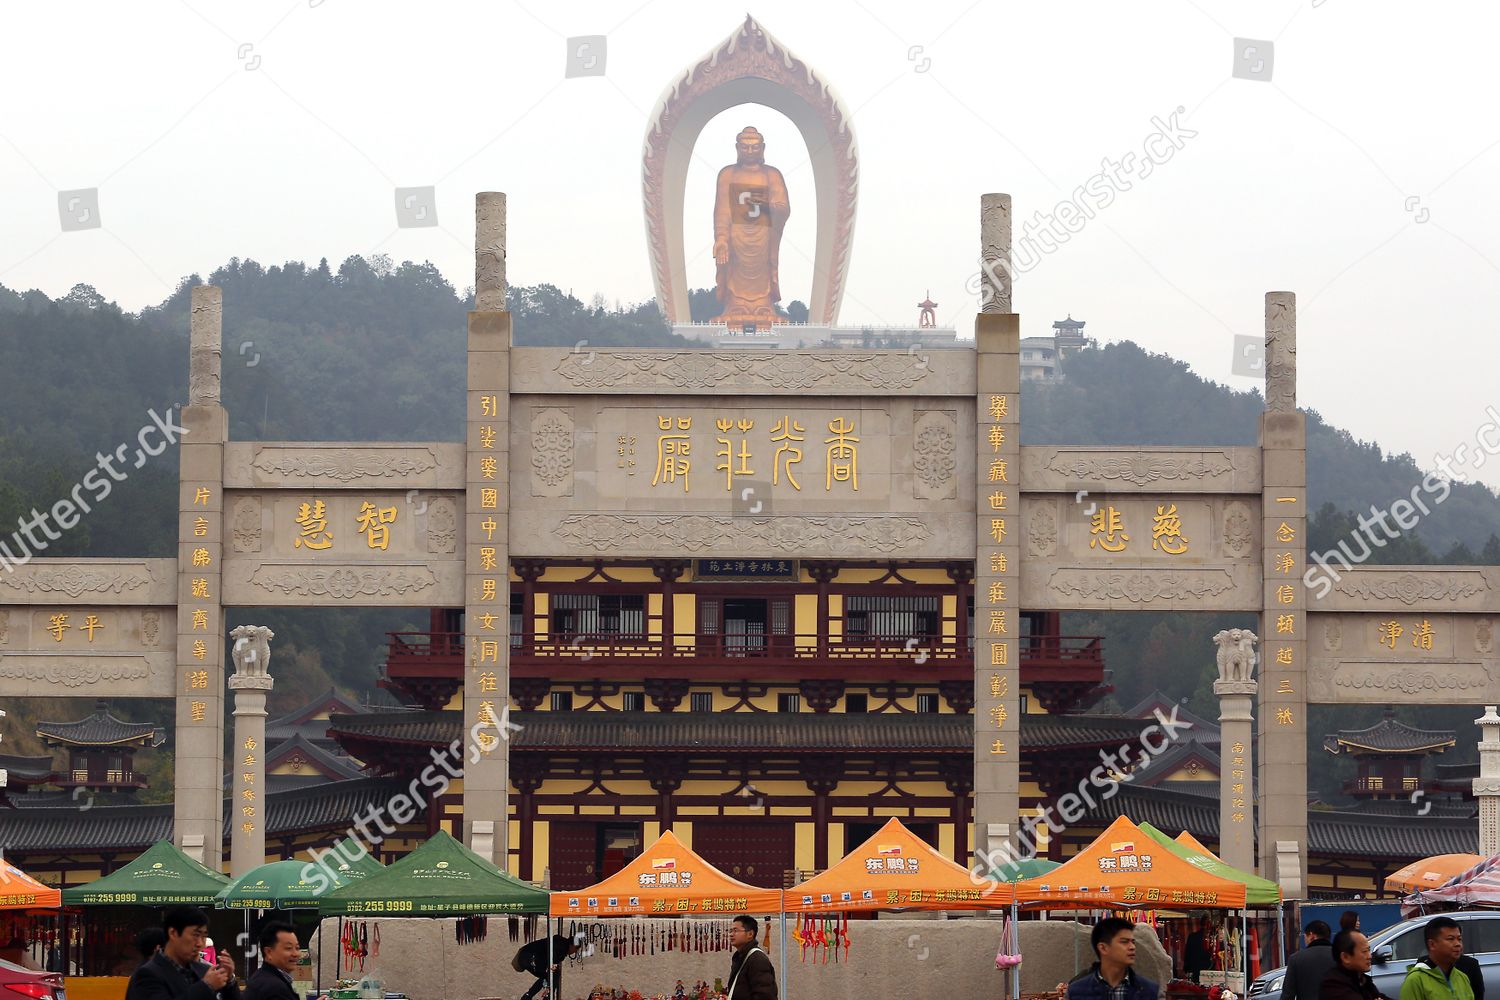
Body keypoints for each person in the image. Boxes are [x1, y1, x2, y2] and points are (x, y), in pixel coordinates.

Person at [124, 907, 240, 1000]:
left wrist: (229, 981)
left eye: (204, 936)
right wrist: (206, 986)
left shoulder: (204, 970)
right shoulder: (147, 974)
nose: (200, 944)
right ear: (173, 933)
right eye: (195, 935)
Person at [1064, 917, 1160, 1000]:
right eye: (1124, 942)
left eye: (1133, 942)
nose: (1132, 947)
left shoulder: (1149, 990)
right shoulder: (1078, 991)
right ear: (1103, 948)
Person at [1400, 918, 1474, 1000]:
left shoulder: (1462, 978)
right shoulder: (1415, 981)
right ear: (1432, 944)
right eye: (1450, 939)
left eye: (1459, 939)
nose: (1458, 944)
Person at [1319, 930, 1388, 1000]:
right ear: (1345, 957)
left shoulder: (1363, 980)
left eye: (1369, 950)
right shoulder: (1333, 985)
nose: (1369, 956)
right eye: (1364, 951)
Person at [242, 923, 299, 1000]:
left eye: (297, 948)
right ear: (269, 952)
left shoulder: (262, 977)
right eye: (288, 948)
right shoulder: (274, 988)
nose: (295, 954)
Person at [515, 932, 579, 1000]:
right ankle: (545, 996)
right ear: (572, 946)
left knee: (548, 975)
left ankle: (530, 996)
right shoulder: (561, 945)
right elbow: (551, 956)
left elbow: (551, 959)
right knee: (550, 975)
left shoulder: (561, 945)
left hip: (528, 956)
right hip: (529, 956)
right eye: (575, 949)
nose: (574, 952)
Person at [726, 915, 777, 1000]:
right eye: (730, 931)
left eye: (735, 930)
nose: (731, 934)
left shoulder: (757, 959)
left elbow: (765, 995)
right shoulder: (740, 956)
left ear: (750, 934)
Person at [1282, 920, 1336, 1000]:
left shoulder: (1296, 959)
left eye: (1305, 936)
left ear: (1311, 935)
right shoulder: (1340, 957)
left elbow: (1288, 995)